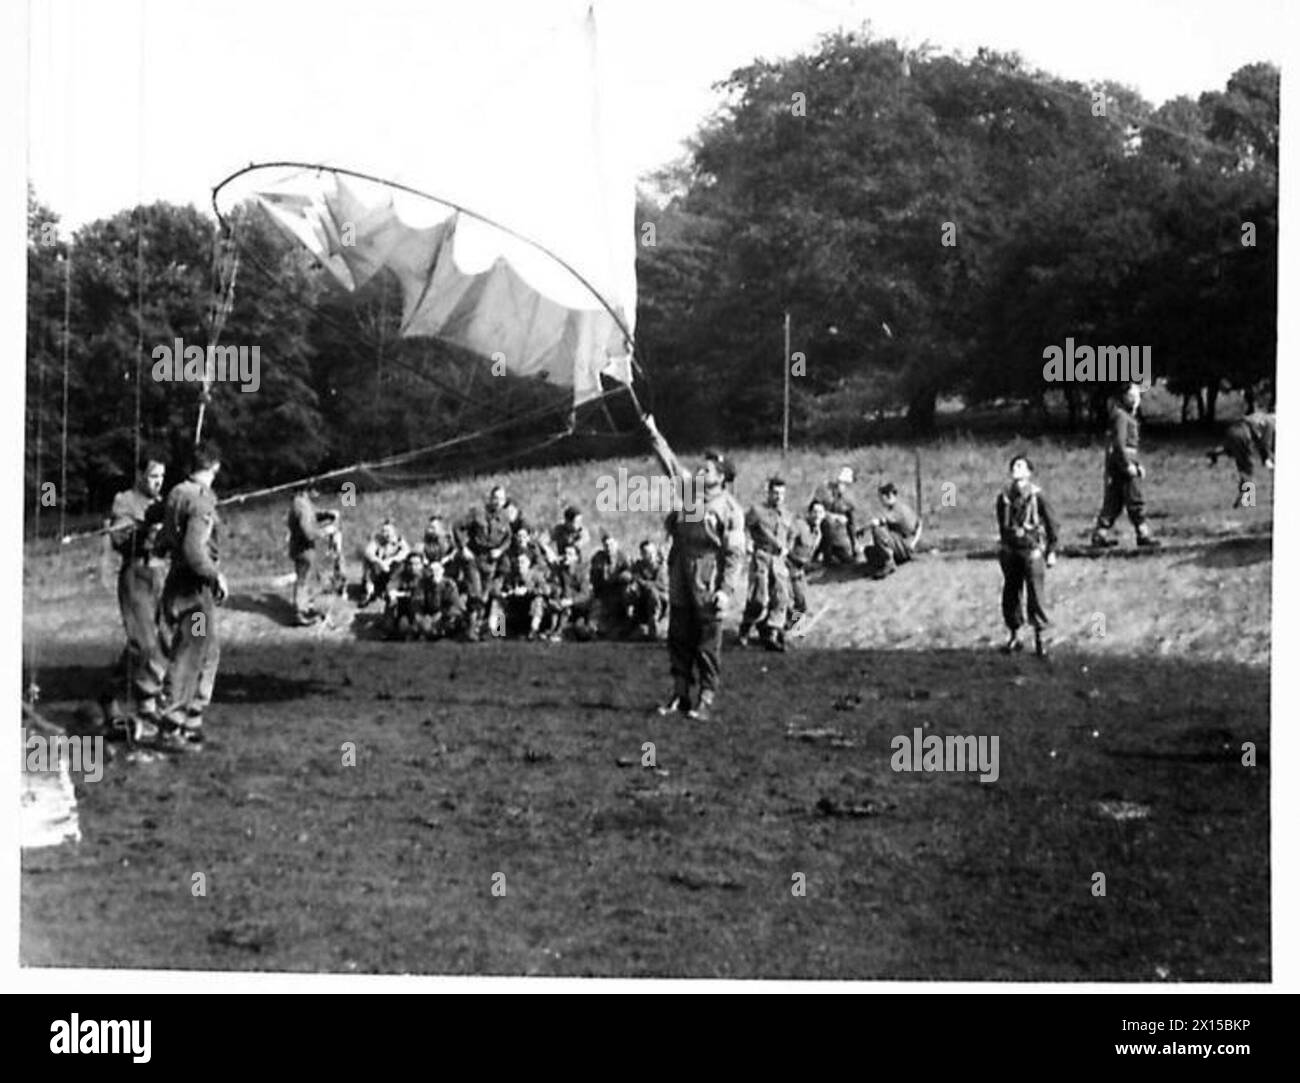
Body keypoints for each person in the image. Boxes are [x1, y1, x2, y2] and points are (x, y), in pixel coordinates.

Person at [659, 451, 746, 721]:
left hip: (708, 574)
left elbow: (734, 555)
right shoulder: (690, 496)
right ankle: (680, 693)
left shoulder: (730, 509)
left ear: (721, 477)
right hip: (680, 571)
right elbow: (670, 463)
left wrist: (725, 591)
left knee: (707, 641)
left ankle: (706, 697)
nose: (700, 474)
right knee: (679, 635)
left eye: (707, 470)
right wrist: (652, 433)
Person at [156, 442, 228, 752]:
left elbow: (167, 534)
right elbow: (194, 550)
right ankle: (172, 726)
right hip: (193, 589)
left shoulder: (176, 492)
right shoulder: (201, 502)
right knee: (190, 653)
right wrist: (216, 575)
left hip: (181, 583)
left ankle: (191, 720)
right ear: (215, 467)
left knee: (208, 650)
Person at [100, 456, 169, 742]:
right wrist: (144, 528)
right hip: (135, 575)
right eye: (153, 476)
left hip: (160, 574)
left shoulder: (164, 500)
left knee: (163, 641)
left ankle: (147, 702)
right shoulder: (125, 500)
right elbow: (119, 539)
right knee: (143, 643)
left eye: (162, 476)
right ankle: (112, 693)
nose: (158, 482)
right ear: (140, 474)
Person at [996, 454, 1060, 659]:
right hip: (1011, 551)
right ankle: (1014, 635)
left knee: (1036, 595)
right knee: (1011, 594)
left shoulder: (1038, 496)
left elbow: (1052, 524)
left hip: (1032, 551)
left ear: (1029, 472)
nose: (1016, 469)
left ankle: (1040, 639)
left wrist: (1051, 550)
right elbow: (1001, 525)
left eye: (1021, 466)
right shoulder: (1004, 497)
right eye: (1014, 465)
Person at [1091, 383, 1159, 548]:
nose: (1136, 399)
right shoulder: (1121, 416)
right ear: (1125, 397)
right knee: (1134, 497)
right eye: (1133, 396)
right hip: (1122, 463)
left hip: (1124, 461)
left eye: (1137, 396)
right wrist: (1127, 465)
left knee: (1114, 501)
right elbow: (1120, 443)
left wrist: (1137, 464)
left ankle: (1100, 534)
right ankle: (1142, 533)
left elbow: (1130, 448)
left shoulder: (1126, 416)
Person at [738, 476, 793, 651]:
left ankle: (772, 633)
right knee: (758, 598)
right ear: (768, 492)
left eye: (782, 494)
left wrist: (788, 548)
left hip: (778, 560)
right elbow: (742, 527)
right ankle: (745, 628)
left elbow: (791, 534)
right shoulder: (757, 511)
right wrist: (747, 543)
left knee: (781, 597)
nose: (778, 497)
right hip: (761, 556)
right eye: (775, 493)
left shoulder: (787, 514)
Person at [455, 486, 514, 640]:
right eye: (495, 498)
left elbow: (508, 538)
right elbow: (457, 526)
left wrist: (500, 550)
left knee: (488, 595)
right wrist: (463, 548)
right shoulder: (477, 513)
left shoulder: (505, 517)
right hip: (475, 557)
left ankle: (495, 630)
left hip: (494, 562)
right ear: (490, 498)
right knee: (475, 593)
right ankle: (472, 629)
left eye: (501, 499)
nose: (498, 502)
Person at [287, 483, 340, 626]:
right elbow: (308, 533)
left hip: (304, 548)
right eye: (315, 490)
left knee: (306, 578)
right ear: (306, 490)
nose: (317, 494)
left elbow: (314, 513)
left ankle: (304, 606)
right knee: (302, 580)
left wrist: (327, 514)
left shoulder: (303, 502)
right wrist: (325, 531)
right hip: (302, 549)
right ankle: (300, 613)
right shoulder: (300, 506)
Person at [1208, 410, 1275, 507]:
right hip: (1243, 434)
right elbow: (1265, 444)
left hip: (1232, 430)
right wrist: (1267, 459)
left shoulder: (1261, 416)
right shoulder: (1270, 424)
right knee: (1247, 468)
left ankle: (1215, 453)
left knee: (1232, 451)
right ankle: (1247, 500)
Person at [863, 482, 920, 579]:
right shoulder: (903, 506)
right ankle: (892, 559)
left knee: (878, 530)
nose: (881, 501)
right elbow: (919, 524)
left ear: (888, 496)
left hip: (904, 547)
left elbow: (877, 522)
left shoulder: (896, 510)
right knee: (868, 551)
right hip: (905, 545)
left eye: (881, 498)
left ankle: (889, 563)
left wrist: (863, 529)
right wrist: (914, 542)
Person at [785, 499, 827, 631]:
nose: (817, 515)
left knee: (802, 604)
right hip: (787, 568)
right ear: (809, 513)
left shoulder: (818, 533)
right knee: (783, 601)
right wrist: (797, 561)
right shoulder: (798, 525)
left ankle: (792, 630)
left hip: (799, 571)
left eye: (820, 512)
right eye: (814, 512)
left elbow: (810, 555)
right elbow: (786, 548)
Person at [589, 532, 633, 636]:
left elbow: (631, 574)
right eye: (606, 545)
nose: (608, 548)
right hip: (603, 593)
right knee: (593, 622)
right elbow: (593, 578)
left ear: (616, 544)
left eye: (611, 544)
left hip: (619, 592)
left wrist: (622, 576)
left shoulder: (624, 557)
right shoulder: (598, 558)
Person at [814, 466, 858, 564]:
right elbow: (814, 510)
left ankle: (836, 552)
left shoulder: (848, 498)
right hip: (820, 529)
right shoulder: (824, 490)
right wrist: (834, 517)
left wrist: (854, 544)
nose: (844, 487)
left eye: (846, 484)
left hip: (838, 535)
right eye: (842, 483)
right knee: (827, 524)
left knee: (848, 561)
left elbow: (851, 524)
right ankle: (824, 557)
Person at [361, 520, 410, 605]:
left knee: (401, 564)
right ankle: (369, 592)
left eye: (388, 531)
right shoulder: (377, 539)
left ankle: (391, 590)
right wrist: (380, 562)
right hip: (379, 569)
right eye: (383, 531)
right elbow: (368, 552)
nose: (385, 534)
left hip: (392, 570)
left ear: (394, 531)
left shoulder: (399, 540)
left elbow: (406, 552)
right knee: (368, 562)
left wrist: (391, 560)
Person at [627, 539, 669, 640]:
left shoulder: (660, 567)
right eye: (646, 553)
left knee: (652, 593)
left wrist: (643, 582)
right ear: (642, 554)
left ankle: (655, 623)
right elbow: (633, 577)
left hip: (662, 599)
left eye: (651, 552)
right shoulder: (639, 566)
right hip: (643, 599)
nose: (650, 555)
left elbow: (661, 585)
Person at [417, 558, 466, 641]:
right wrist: (422, 617)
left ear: (442, 571)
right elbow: (418, 602)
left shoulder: (449, 584)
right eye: (431, 570)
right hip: (429, 614)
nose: (434, 573)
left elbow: (455, 604)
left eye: (437, 570)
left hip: (445, 614)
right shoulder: (423, 583)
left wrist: (440, 614)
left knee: (454, 615)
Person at [384, 551, 428, 640]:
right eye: (410, 564)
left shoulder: (427, 575)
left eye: (417, 564)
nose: (413, 567)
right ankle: (390, 629)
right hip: (403, 604)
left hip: (421, 607)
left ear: (422, 564)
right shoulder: (402, 572)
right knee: (391, 600)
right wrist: (394, 594)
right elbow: (390, 586)